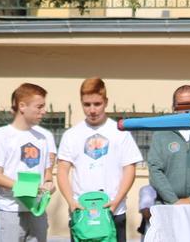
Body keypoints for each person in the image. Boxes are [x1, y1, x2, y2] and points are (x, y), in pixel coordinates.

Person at [58, 78, 142, 242]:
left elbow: (130, 169)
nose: (92, 110)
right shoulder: (72, 135)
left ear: (106, 102)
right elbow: (62, 169)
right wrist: (70, 201)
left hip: (113, 211)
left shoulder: (120, 132)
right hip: (82, 212)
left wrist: (117, 201)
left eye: (97, 104)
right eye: (87, 104)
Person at [0, 83, 56, 242]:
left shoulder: (45, 137)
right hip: (9, 210)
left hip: (37, 210)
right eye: (39, 106)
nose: (43, 111)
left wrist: (49, 185)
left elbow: (48, 175)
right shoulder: (2, 135)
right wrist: (28, 188)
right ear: (22, 106)